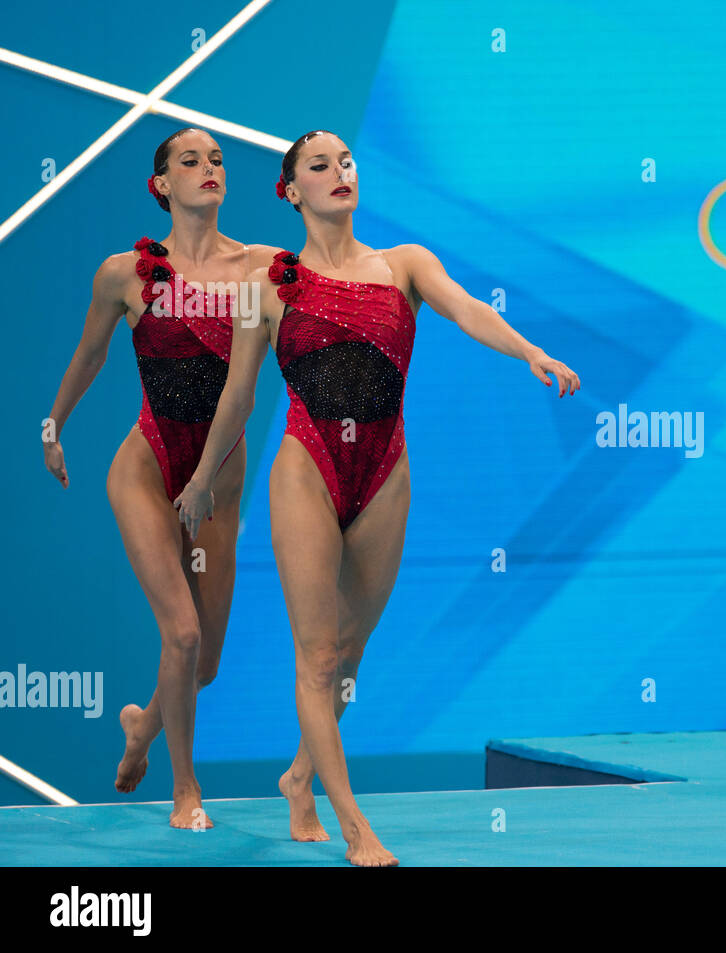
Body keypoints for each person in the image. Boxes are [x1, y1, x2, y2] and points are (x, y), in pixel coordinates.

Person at [176, 130, 580, 865]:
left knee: (350, 653)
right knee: (317, 656)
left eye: (347, 162)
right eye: (320, 166)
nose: (341, 173)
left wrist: (530, 351)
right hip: (307, 465)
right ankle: (355, 824)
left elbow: (467, 310)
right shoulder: (265, 286)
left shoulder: (405, 266)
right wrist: (203, 477)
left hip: (384, 471)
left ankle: (300, 778)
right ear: (291, 191)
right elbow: (237, 396)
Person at [43, 128, 277, 827]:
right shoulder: (125, 273)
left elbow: (335, 270)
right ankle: (184, 791)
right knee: (180, 637)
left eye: (217, 159)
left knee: (201, 666)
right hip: (147, 469)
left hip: (219, 487)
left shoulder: (259, 268)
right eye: (190, 161)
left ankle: (141, 727)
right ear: (161, 186)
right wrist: (53, 427)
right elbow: (89, 356)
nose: (208, 168)